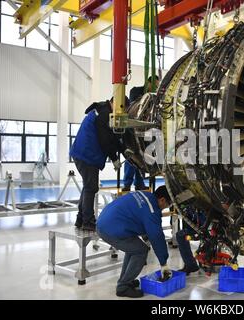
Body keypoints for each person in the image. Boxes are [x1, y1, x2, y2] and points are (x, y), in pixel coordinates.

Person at [96, 186, 172, 298]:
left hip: (104, 222)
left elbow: (138, 216)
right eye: (168, 205)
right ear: (162, 200)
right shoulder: (152, 210)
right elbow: (157, 237)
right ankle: (123, 287)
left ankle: (126, 280)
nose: (167, 207)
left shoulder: (143, 194)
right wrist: (163, 263)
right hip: (110, 229)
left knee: (133, 248)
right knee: (141, 251)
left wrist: (146, 236)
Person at [70, 98, 123, 231]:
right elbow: (105, 140)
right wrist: (114, 158)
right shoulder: (105, 114)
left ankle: (81, 218)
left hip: (82, 153)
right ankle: (88, 222)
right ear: (115, 103)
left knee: (88, 186)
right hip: (87, 155)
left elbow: (111, 136)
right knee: (91, 188)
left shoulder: (100, 110)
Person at [122, 75, 160, 191]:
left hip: (145, 133)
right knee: (131, 159)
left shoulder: (155, 98)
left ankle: (139, 184)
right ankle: (127, 184)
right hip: (131, 132)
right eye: (155, 84)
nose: (156, 87)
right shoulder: (136, 91)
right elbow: (134, 109)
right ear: (149, 83)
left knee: (141, 160)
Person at [176, 207, 207, 275]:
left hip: (202, 225)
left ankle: (193, 264)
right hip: (194, 223)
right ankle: (191, 264)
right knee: (181, 235)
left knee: (181, 235)